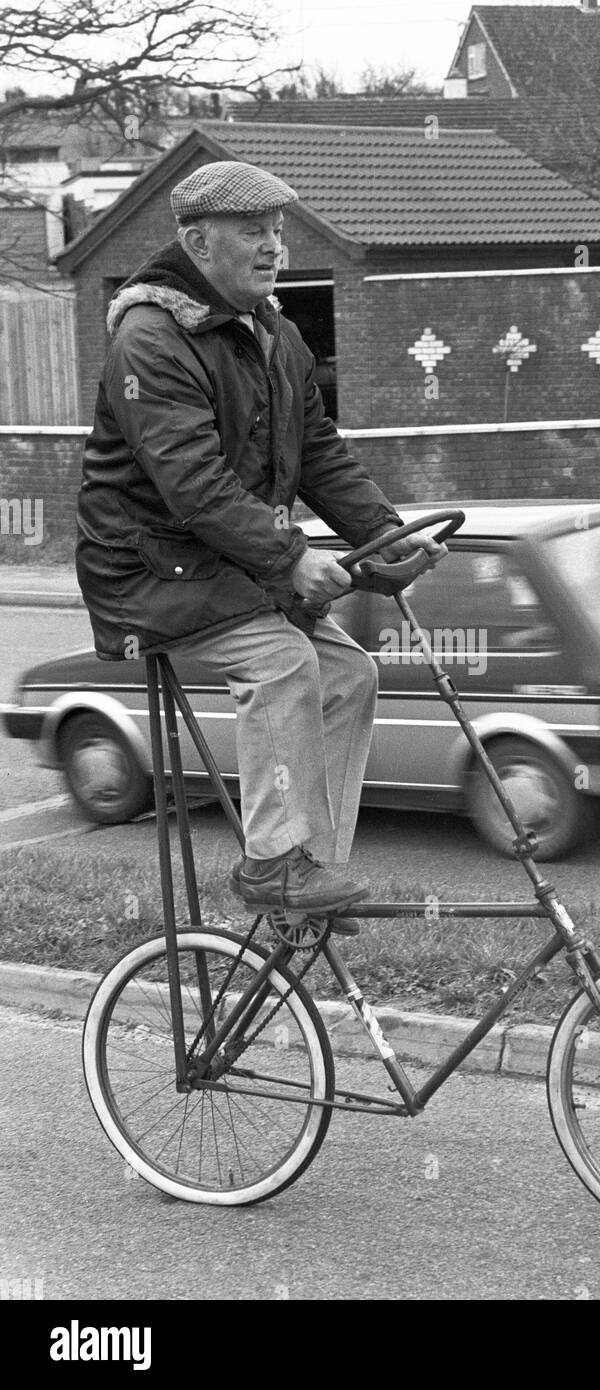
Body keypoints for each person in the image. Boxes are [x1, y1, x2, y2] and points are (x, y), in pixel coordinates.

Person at [75, 160, 446, 927]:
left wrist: (381, 538)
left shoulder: (273, 333)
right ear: (198, 242)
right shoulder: (151, 338)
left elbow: (318, 450)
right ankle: (274, 866)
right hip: (150, 573)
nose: (274, 246)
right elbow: (193, 483)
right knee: (282, 661)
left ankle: (311, 870)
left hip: (225, 565)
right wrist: (289, 559)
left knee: (349, 673)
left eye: (277, 230)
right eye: (253, 232)